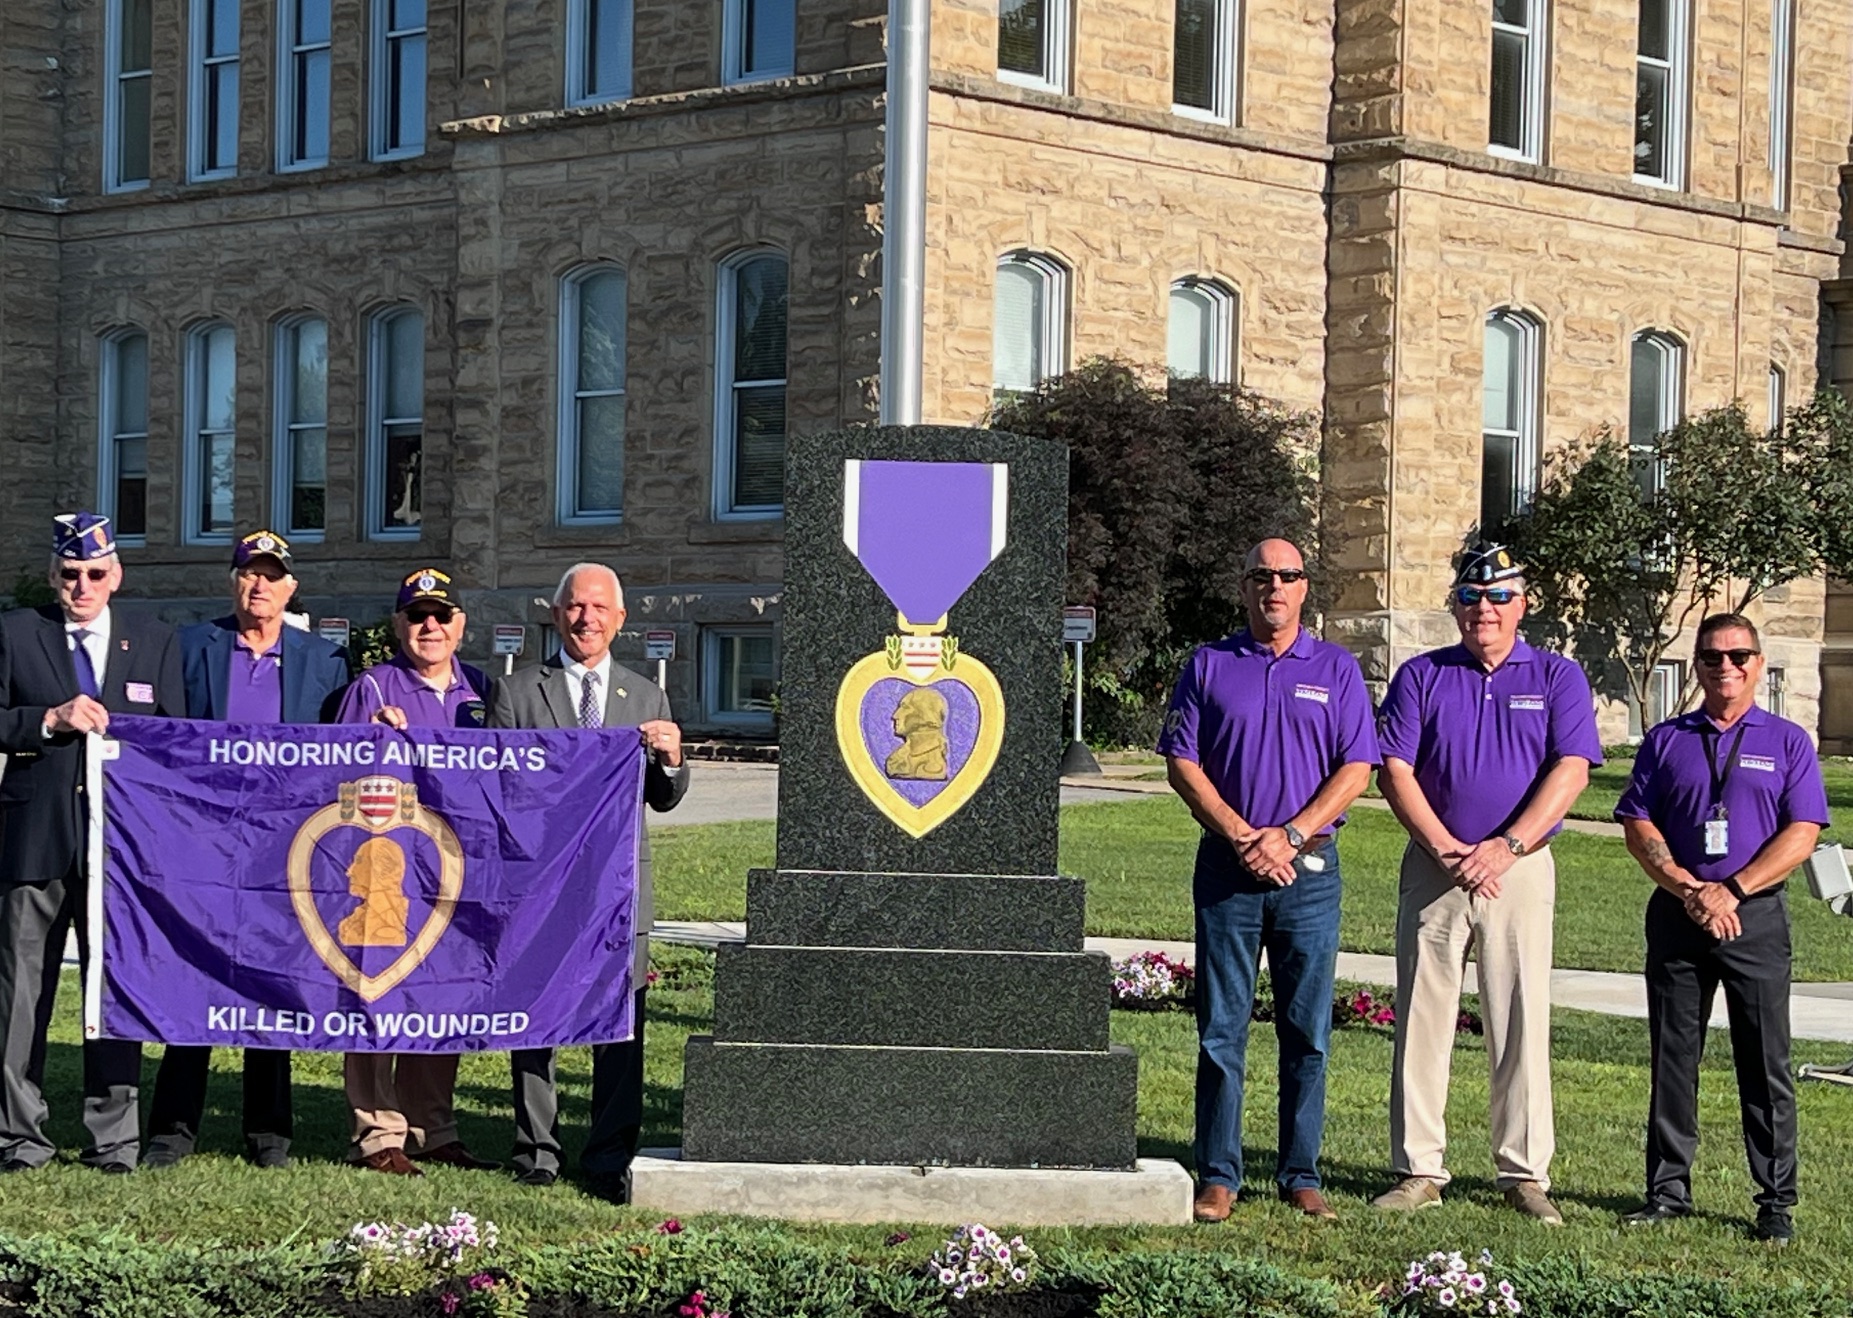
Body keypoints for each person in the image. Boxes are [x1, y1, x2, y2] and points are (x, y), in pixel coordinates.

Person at [1370, 545, 1602, 1225]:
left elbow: (1571, 769)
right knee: (1421, 1016)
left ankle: (1524, 1173)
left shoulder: (1556, 676)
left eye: (1499, 597)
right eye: (1471, 597)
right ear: (1455, 605)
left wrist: (1506, 846)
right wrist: (1445, 847)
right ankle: (1418, 1169)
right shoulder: (1422, 675)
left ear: (1522, 605)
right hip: (1434, 865)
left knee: (1521, 1017)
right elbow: (1394, 769)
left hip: (1519, 868)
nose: (1485, 609)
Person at [1157, 538, 1378, 1223]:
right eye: (1261, 575)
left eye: (1287, 575)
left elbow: (1357, 768)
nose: (1274, 586)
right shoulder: (1209, 664)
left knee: (1306, 1031)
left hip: (1308, 873)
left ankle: (1300, 1174)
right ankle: (1218, 1175)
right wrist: (1242, 835)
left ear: (1304, 587)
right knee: (1221, 1029)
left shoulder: (1336, 669)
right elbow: (1182, 762)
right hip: (1227, 870)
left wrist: (1290, 834)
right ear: (1245, 587)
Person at [1615, 614, 1827, 1245]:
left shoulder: (1787, 741)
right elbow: (1638, 823)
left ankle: (1775, 1203)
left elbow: (1803, 832)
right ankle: (1667, 1192)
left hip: (1753, 916)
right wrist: (1689, 888)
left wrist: (1731, 890)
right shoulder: (1667, 739)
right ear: (1698, 665)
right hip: (1678, 913)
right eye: (1712, 657)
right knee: (1673, 1058)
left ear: (1758, 663)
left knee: (1765, 1061)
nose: (1725, 667)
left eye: (1738, 656)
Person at [144, 530, 351, 1169]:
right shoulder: (189, 646)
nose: (259, 585)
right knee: (193, 974)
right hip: (204, 841)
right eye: (248, 573)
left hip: (283, 845)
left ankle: (269, 1133)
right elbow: (161, 737)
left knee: (272, 979)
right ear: (233, 581)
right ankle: (172, 1130)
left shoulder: (325, 660)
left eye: (271, 575)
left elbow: (339, 752)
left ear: (291, 588)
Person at [488, 562, 687, 1199]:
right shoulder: (516, 693)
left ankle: (608, 1155)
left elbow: (663, 797)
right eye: (576, 606)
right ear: (556, 614)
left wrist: (673, 758)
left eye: (600, 608)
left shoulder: (646, 696)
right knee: (534, 1017)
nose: (587, 618)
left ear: (620, 620)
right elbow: (497, 793)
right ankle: (537, 1150)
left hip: (620, 890)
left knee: (620, 1024)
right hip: (542, 887)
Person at [0, 513, 184, 1173]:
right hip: (35, 839)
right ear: (53, 576)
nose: (82, 587)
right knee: (20, 993)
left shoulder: (154, 640)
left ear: (116, 576)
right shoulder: (16, 633)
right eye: (70, 574)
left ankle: (114, 1140)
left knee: (112, 989)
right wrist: (46, 719)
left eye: (95, 574)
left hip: (120, 852)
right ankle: (18, 1135)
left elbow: (175, 741)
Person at [332, 566, 498, 1176]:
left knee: (442, 992)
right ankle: (378, 1133)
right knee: (378, 989)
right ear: (398, 624)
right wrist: (374, 741)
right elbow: (335, 773)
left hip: (455, 867)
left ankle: (432, 1126)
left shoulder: (482, 691)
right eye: (417, 615)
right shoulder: (373, 687)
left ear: (460, 624)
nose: (430, 626)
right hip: (386, 866)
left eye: (441, 615)